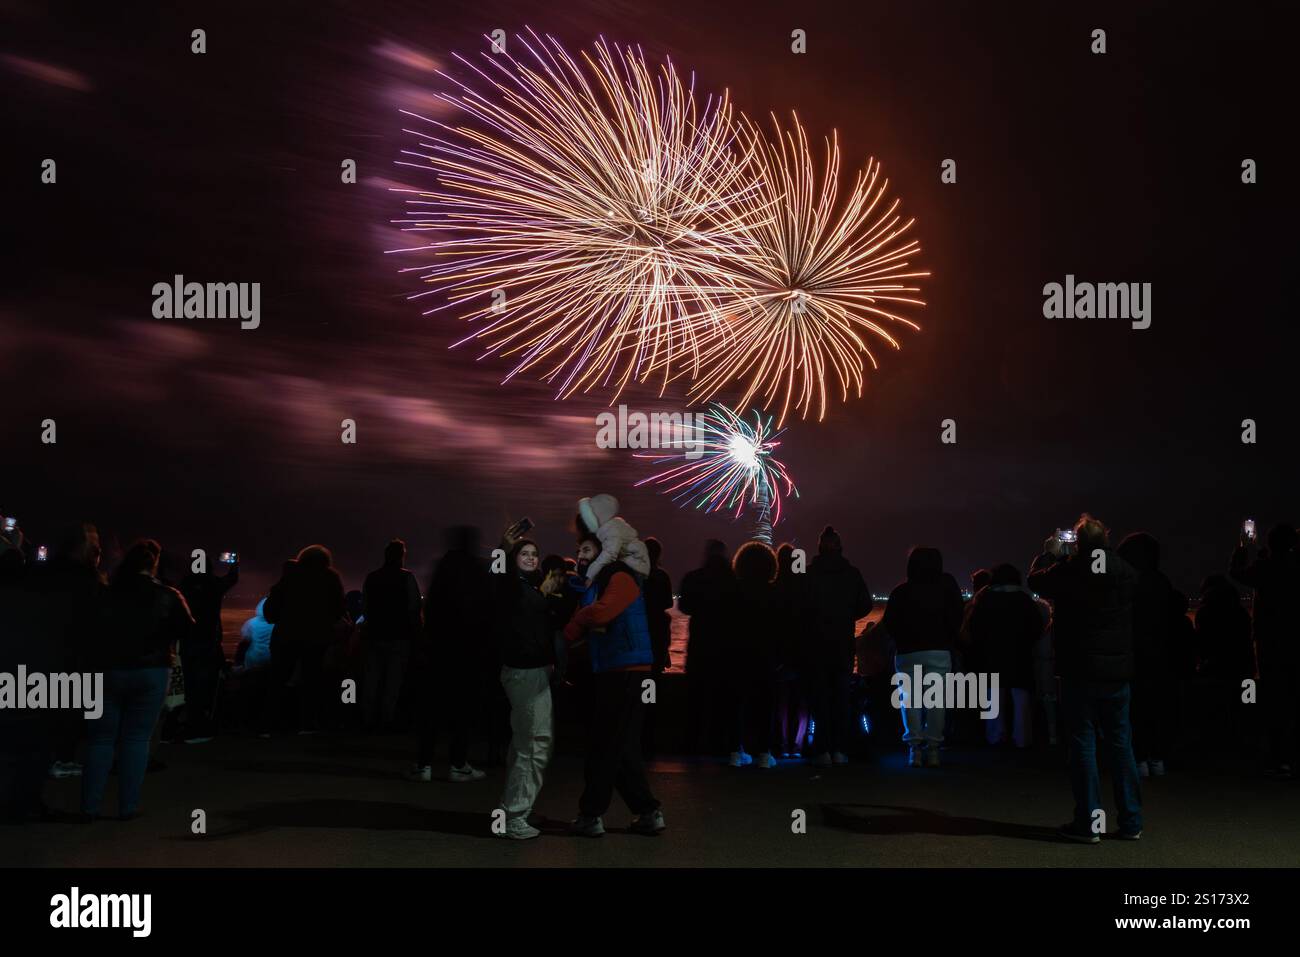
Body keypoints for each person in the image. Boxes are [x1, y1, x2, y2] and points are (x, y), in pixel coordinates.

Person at [1028, 514, 1143, 843]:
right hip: (1117, 672)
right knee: (1122, 747)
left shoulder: (1069, 569)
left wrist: (1050, 553)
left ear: (1077, 542)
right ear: (1106, 539)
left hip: (1079, 671)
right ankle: (1132, 821)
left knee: (1083, 745)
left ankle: (1088, 823)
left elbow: (1035, 581)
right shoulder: (1125, 571)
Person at [81, 541, 194, 821]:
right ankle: (127, 806)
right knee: (136, 739)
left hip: (105, 670)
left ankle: (89, 807)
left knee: (99, 741)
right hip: (151, 670)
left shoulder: (104, 593)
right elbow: (187, 628)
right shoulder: (167, 594)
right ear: (154, 563)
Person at [563, 528, 663, 837]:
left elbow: (601, 614)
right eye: (580, 550)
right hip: (619, 669)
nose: (581, 556)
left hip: (625, 672)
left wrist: (573, 627)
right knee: (620, 746)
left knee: (605, 745)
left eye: (588, 550)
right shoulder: (605, 579)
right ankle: (647, 812)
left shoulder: (619, 576)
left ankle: (591, 815)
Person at [411, 526, 490, 783]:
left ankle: (423, 765)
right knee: (463, 710)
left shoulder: (443, 567)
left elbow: (431, 607)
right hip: (468, 650)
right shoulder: (478, 569)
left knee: (431, 709)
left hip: (439, 649)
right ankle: (458, 764)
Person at [494, 534, 556, 840]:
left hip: (532, 670)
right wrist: (503, 546)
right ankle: (514, 817)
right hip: (524, 672)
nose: (531, 558)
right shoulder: (510, 587)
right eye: (525, 553)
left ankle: (515, 809)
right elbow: (496, 575)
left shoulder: (531, 587)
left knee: (527, 743)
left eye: (535, 553)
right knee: (532, 744)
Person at [1229, 522, 1300, 779]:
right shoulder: (1292, 566)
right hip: (1294, 641)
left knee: (1274, 700)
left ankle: (1278, 757)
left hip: (1270, 642)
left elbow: (1236, 572)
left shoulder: (1265, 567)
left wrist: (1243, 548)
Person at [882, 546, 963, 766]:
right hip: (939, 650)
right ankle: (934, 749)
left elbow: (889, 624)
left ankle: (914, 749)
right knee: (936, 703)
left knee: (910, 702)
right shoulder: (946, 588)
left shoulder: (901, 592)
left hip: (908, 652)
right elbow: (958, 616)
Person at [1117, 532, 1189, 777]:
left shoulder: (1125, 582)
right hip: (1160, 657)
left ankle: (1138, 759)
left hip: (1132, 656)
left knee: (1134, 711)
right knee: (1158, 709)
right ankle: (1157, 757)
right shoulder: (1161, 582)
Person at [806, 526, 873, 766]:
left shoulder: (809, 573)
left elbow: (802, 607)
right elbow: (865, 605)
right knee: (842, 698)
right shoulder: (852, 573)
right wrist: (846, 615)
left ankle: (822, 749)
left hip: (816, 644)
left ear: (819, 547)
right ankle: (840, 750)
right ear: (840, 547)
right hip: (843, 643)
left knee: (820, 699)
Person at [261, 545, 345, 736]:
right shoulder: (331, 578)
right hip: (315, 637)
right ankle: (307, 723)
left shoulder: (290, 576)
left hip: (285, 636)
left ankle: (269, 724)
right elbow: (338, 609)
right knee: (311, 680)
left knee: (278, 680)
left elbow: (271, 610)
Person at [967, 563, 1042, 749]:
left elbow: (975, 629)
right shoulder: (1025, 600)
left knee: (993, 698)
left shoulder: (986, 600)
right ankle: (1022, 738)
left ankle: (995, 735)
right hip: (1020, 656)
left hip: (992, 655)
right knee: (1021, 698)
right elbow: (1036, 627)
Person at [724, 541, 780, 768]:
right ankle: (764, 754)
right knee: (765, 704)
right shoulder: (774, 593)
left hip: (737, 655)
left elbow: (724, 627)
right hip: (765, 656)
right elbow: (782, 627)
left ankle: (735, 752)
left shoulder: (732, 592)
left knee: (736, 703)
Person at [678, 540, 737, 757]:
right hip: (725, 649)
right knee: (722, 700)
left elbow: (684, 607)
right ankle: (719, 744)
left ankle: (691, 744)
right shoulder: (733, 580)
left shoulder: (693, 578)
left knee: (695, 699)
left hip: (699, 645)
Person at [360, 540, 423, 733]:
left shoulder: (372, 578)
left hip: (374, 634)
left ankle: (367, 719)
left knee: (371, 679)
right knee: (393, 681)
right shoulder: (407, 578)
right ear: (401, 555)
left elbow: (366, 608)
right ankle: (387, 720)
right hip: (399, 635)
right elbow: (414, 608)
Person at [178, 556, 239, 744]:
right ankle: (201, 726)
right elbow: (230, 580)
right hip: (208, 641)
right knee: (207, 686)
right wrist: (234, 566)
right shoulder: (213, 584)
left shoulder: (184, 584)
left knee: (190, 685)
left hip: (187, 641)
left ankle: (186, 724)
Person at [1194, 574, 1253, 746]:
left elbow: (1202, 642)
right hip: (1244, 668)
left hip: (1215, 667)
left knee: (1215, 706)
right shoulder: (1241, 612)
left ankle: (1216, 739)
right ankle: (1245, 738)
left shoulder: (1205, 612)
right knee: (1246, 706)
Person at [772, 542, 811, 757]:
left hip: (780, 653)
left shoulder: (774, 587)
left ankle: (783, 744)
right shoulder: (805, 587)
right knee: (802, 702)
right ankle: (798, 745)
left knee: (782, 702)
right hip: (802, 652)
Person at [576, 493, 651, 584]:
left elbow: (609, 554)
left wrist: (590, 575)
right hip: (632, 563)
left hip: (636, 566)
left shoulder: (611, 531)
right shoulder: (611, 528)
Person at [643, 537, 673, 675]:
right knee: (656, 670)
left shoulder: (637, 576)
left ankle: (646, 696)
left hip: (641, 628)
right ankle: (652, 696)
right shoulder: (663, 576)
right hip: (659, 629)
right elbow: (669, 603)